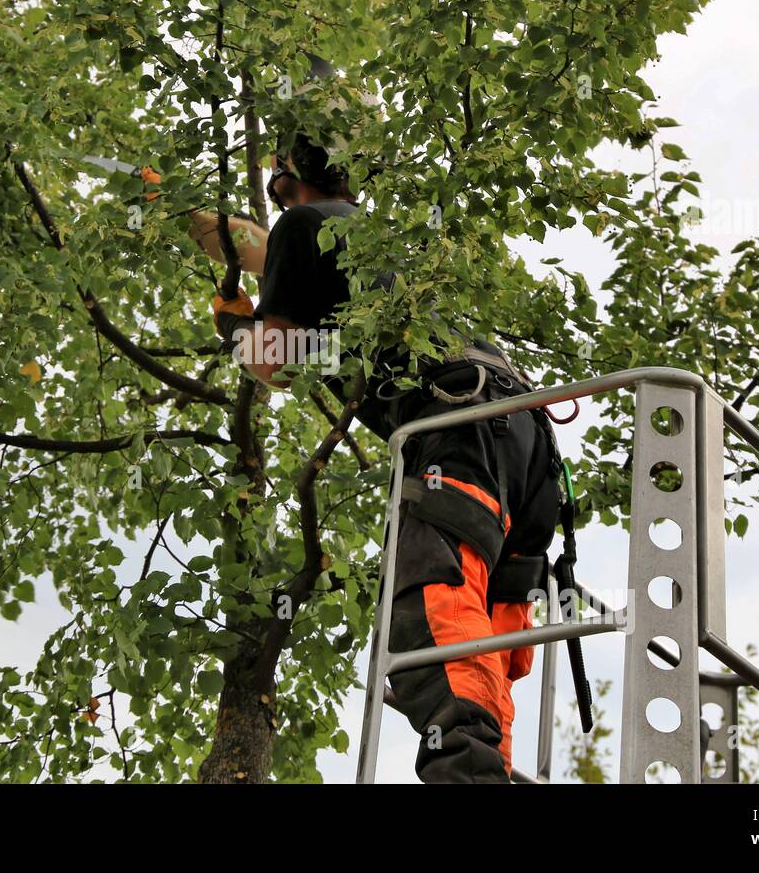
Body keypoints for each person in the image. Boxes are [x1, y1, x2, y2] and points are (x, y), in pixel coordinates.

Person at [190, 130, 563, 783]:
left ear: (285, 183)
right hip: (525, 444)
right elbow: (255, 251)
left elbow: (274, 361)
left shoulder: (300, 225)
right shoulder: (380, 243)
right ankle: (490, 769)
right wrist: (209, 230)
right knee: (486, 640)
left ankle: (471, 776)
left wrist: (236, 329)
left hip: (456, 429)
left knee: (431, 613)